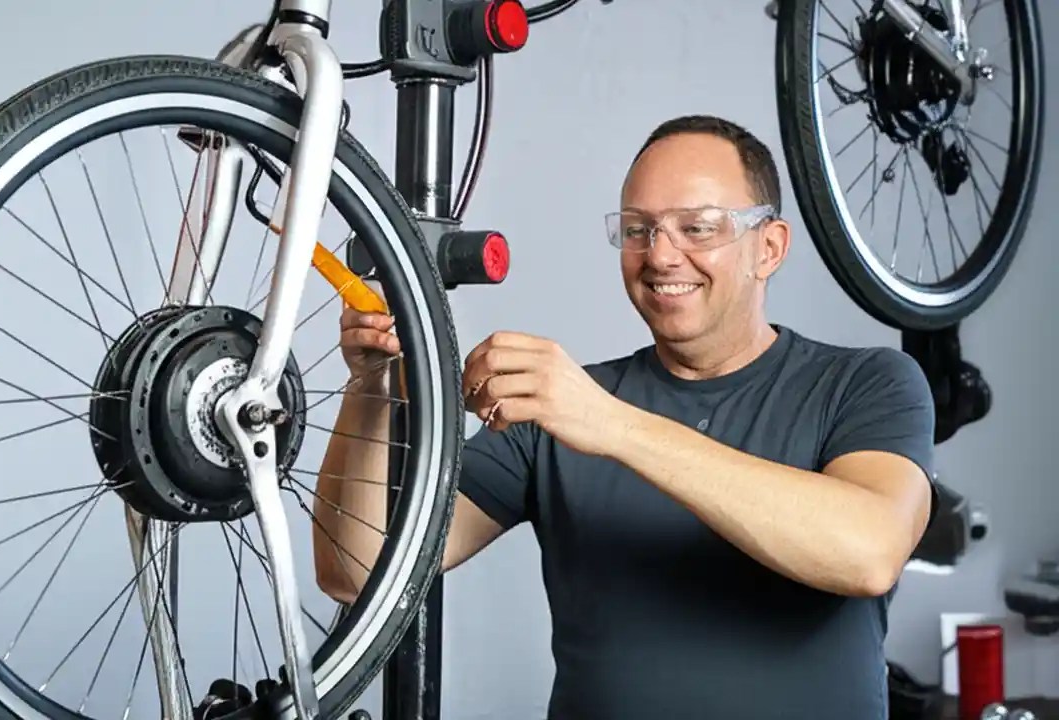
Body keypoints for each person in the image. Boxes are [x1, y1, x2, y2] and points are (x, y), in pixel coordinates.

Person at [310, 114, 938, 719]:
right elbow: (357, 569)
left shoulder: (865, 383)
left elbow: (868, 552)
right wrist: (372, 383)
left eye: (697, 228)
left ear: (767, 249)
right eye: (638, 229)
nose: (660, 256)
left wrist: (614, 426)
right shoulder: (560, 411)